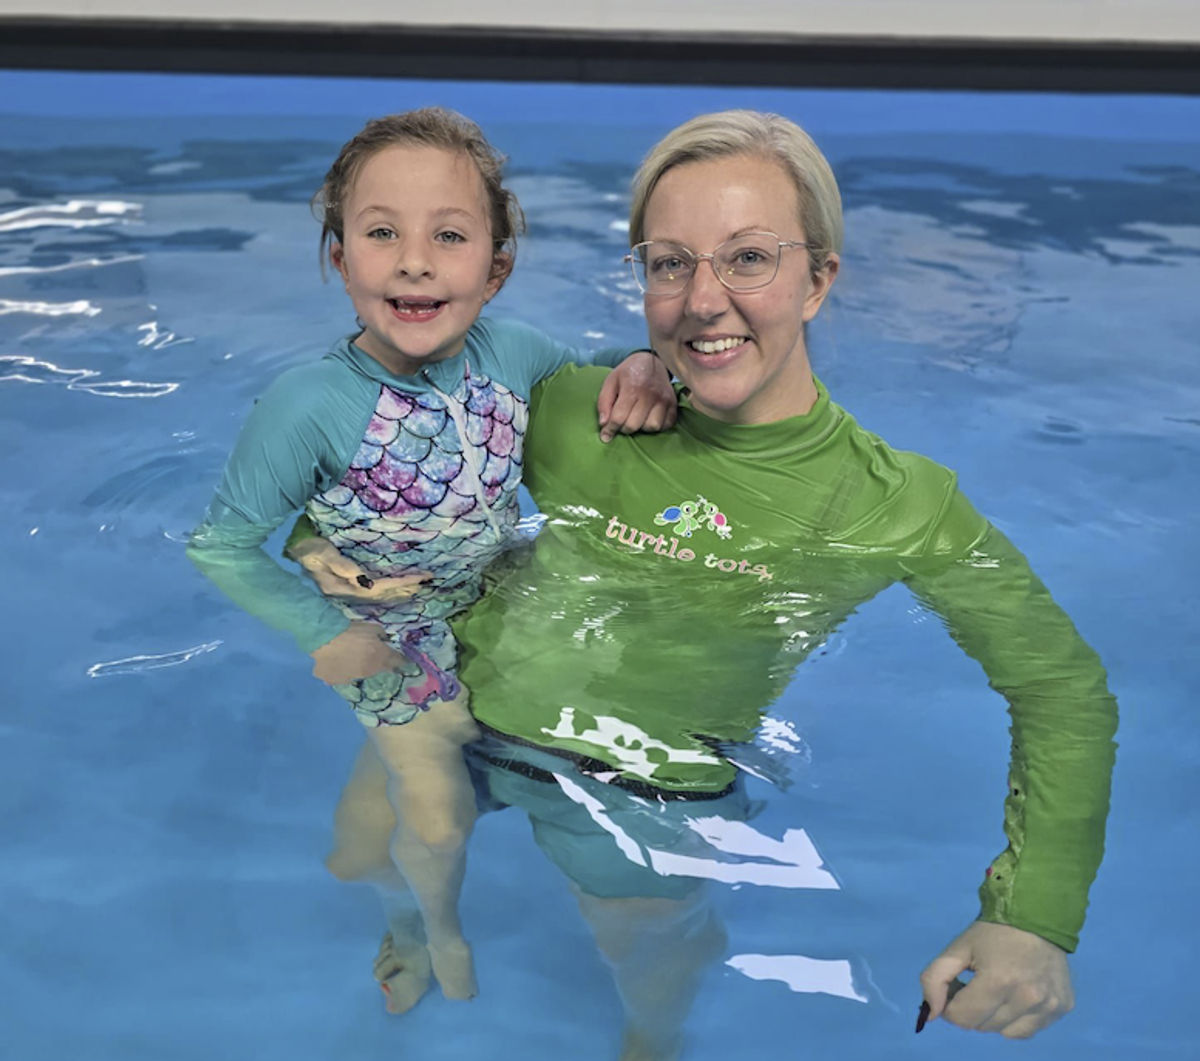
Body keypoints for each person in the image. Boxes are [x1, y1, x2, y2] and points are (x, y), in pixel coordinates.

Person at [292, 109, 1118, 1056]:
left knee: (648, 960)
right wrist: (327, 557)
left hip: (644, 792)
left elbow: (1062, 690)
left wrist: (1033, 915)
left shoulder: (893, 504)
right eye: (671, 262)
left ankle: (657, 1037)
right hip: (451, 717)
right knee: (361, 856)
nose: (702, 300)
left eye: (751, 258)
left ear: (820, 279)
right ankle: (412, 922)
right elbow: (377, 482)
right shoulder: (569, 405)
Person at [187, 107, 676, 1008]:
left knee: (504, 765)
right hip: (387, 635)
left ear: (496, 269)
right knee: (441, 813)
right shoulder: (306, 406)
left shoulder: (516, 356)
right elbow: (220, 544)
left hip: (493, 601)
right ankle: (424, 925)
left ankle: (394, 862)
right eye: (382, 233)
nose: (415, 260)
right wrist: (320, 629)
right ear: (341, 259)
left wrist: (644, 362)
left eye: (448, 236)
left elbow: (602, 376)